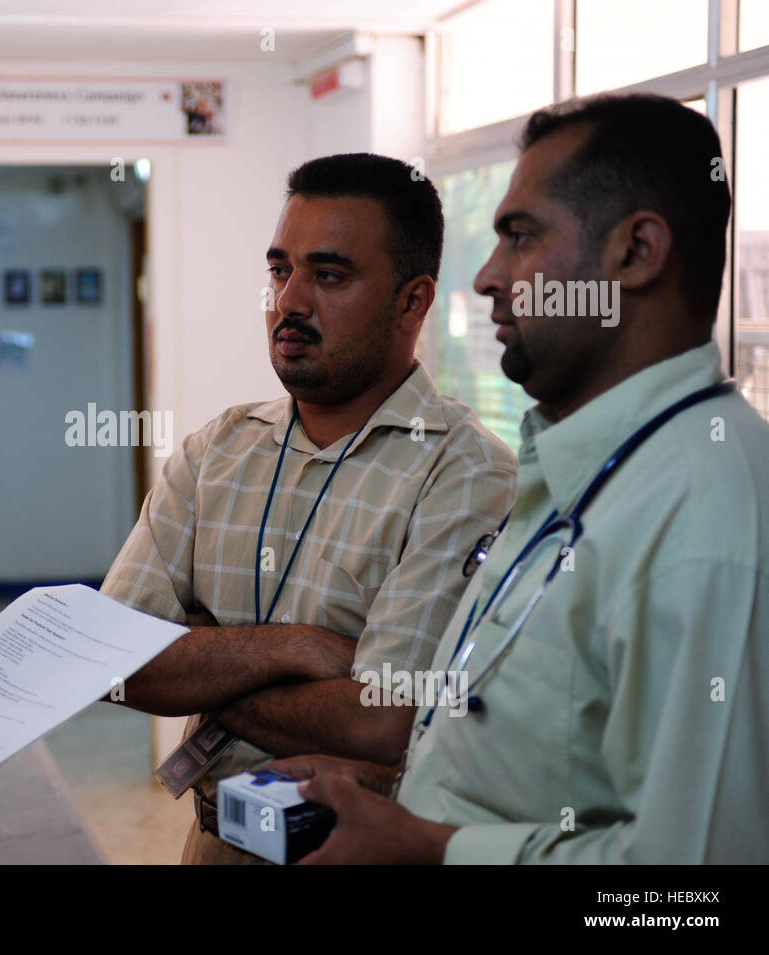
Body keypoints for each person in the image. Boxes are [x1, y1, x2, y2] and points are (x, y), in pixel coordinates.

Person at [275, 93, 769, 864]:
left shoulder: (709, 515)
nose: (484, 276)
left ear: (635, 253)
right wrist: (393, 789)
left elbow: (690, 897)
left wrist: (432, 849)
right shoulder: (589, 470)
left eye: (520, 236)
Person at [101, 153, 518, 864]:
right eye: (279, 270)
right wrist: (292, 647)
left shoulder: (463, 471)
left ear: (412, 302)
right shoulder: (219, 449)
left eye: (329, 276)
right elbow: (112, 662)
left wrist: (206, 659)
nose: (289, 302)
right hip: (210, 839)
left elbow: (381, 721)